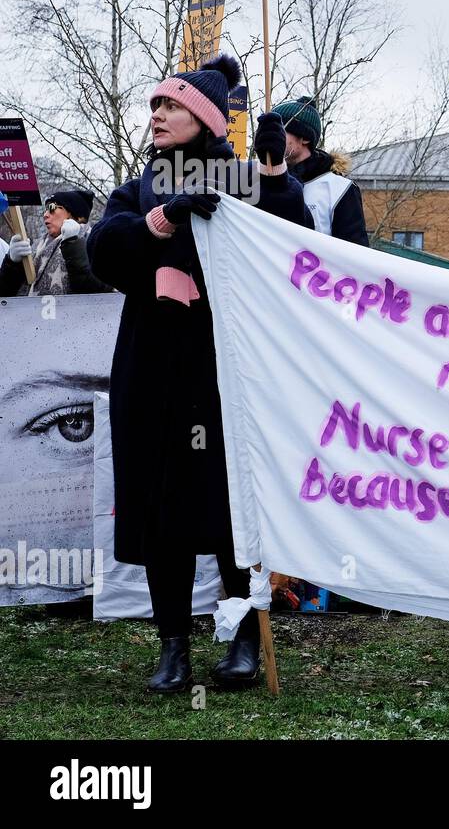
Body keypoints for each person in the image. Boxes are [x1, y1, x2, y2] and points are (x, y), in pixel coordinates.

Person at [87, 54, 312, 694]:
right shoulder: (138, 187)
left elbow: (294, 238)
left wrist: (273, 172)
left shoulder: (243, 178)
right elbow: (104, 251)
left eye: (171, 106)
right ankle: (172, 646)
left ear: (206, 118)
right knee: (161, 506)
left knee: (229, 500)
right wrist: (162, 219)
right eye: (154, 106)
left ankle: (243, 635)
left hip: (226, 366)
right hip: (153, 367)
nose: (157, 115)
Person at [272, 95, 369, 246]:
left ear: (305, 138)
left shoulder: (340, 189)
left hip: (312, 268)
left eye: (281, 130)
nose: (273, 137)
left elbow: (355, 252)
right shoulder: (263, 181)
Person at [2, 190, 113, 296]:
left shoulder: (95, 241)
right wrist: (12, 263)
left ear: (75, 215)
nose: (45, 214)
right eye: (45, 209)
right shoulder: (37, 247)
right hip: (33, 314)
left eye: (51, 208)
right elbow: (5, 294)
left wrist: (73, 244)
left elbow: (97, 290)